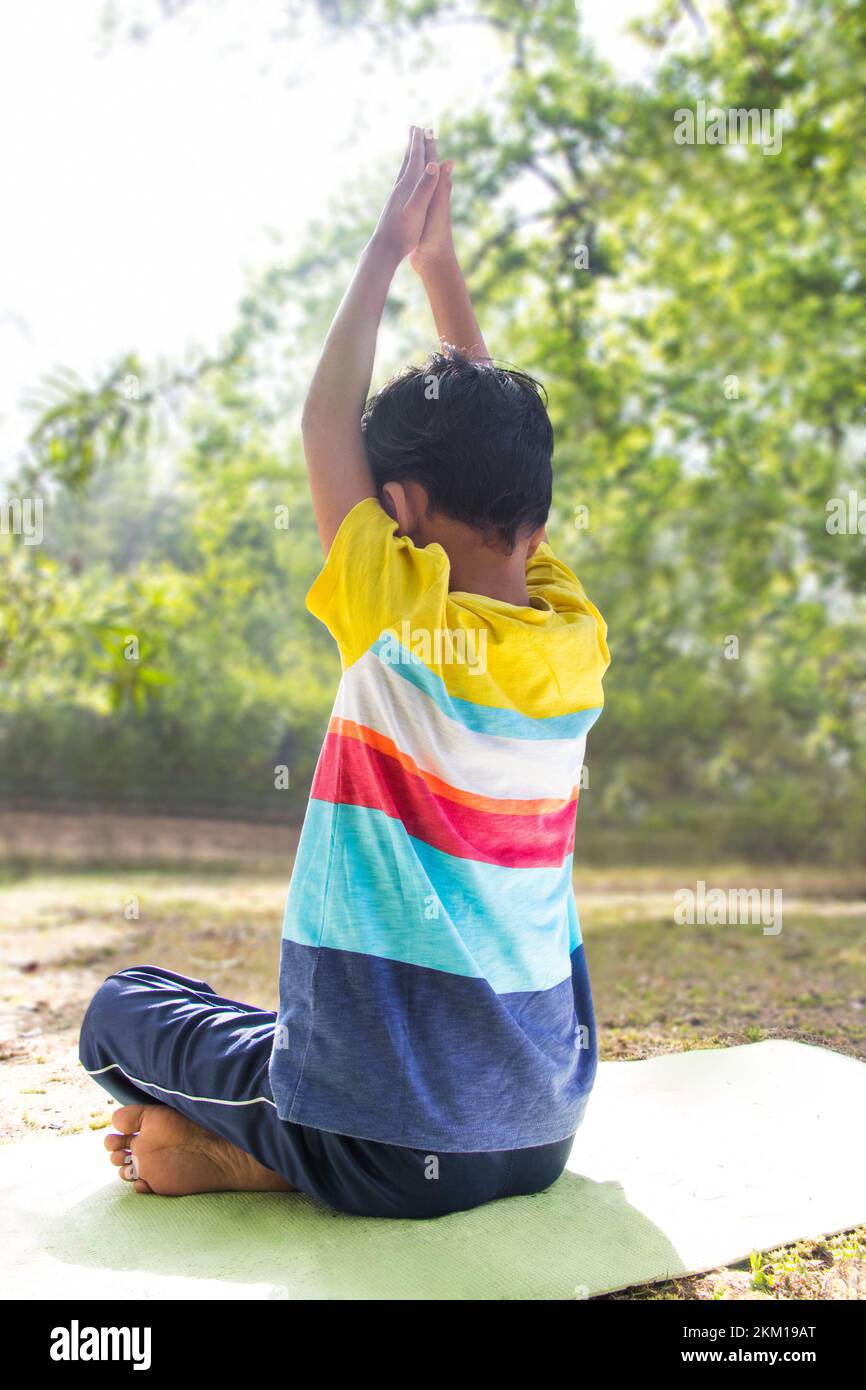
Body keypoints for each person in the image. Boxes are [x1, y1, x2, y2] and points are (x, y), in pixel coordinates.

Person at [79, 127, 610, 1219]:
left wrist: (386, 252)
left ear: (399, 512)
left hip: (378, 1136)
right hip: (537, 1131)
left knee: (122, 1007)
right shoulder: (573, 634)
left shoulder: (395, 614)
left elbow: (324, 420)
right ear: (537, 518)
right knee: (312, 1037)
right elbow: (501, 463)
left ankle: (272, 1146)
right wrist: (442, 274)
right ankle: (267, 1144)